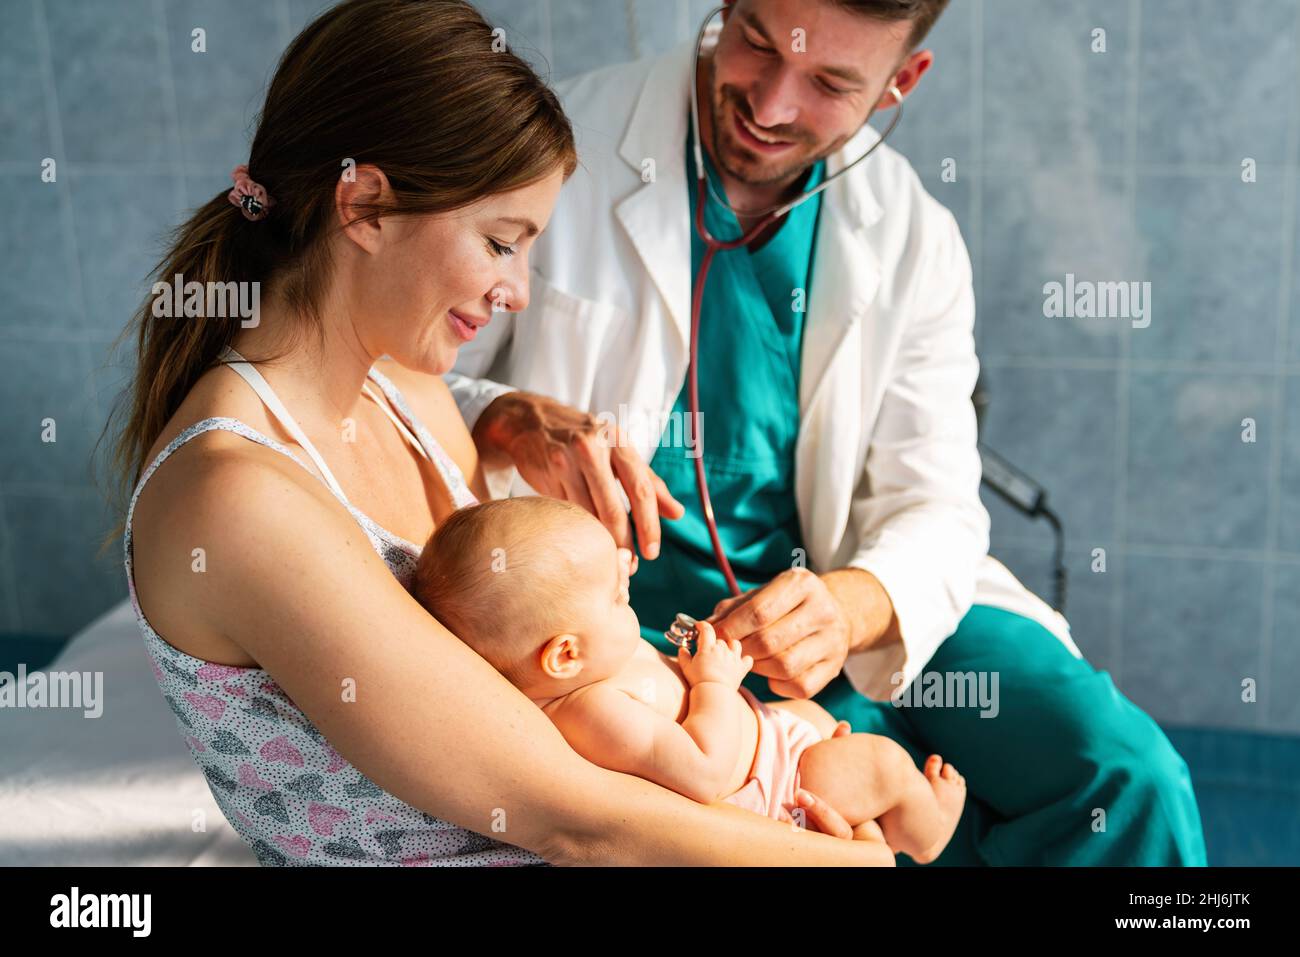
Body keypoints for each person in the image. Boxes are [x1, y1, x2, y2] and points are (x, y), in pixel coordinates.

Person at [101, 0, 894, 866]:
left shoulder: (407, 385)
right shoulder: (234, 498)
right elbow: (574, 822)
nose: (516, 290)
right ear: (364, 204)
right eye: (499, 243)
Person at [445, 0, 1207, 865]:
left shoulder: (918, 240)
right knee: (833, 787)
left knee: (1125, 772)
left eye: (830, 83)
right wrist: (505, 416)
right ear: (724, 9)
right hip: (619, 618)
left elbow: (937, 505)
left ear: (899, 84)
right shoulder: (555, 147)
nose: (769, 105)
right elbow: (401, 373)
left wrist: (849, 608)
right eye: (756, 45)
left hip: (861, 587)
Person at [413, 495, 969, 862]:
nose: (630, 570)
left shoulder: (594, 674)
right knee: (885, 765)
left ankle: (878, 796)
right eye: (616, 595)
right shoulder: (591, 711)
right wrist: (713, 686)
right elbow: (703, 773)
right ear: (563, 655)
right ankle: (927, 832)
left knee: (824, 725)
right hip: (777, 788)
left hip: (770, 744)